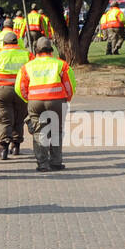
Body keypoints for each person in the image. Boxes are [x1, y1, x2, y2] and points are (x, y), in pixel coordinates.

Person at [14, 36, 74, 171]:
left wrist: (28, 99)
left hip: (35, 102)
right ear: (51, 50)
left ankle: (42, 164)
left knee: (39, 132)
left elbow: (19, 87)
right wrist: (67, 98)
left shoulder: (27, 67)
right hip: (57, 101)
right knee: (56, 131)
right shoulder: (61, 64)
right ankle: (56, 162)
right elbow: (70, 85)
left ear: (36, 50)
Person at [0, 31, 31, 159]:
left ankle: (3, 149)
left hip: (0, 91)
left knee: (3, 120)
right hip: (21, 91)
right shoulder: (27, 55)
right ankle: (16, 147)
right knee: (19, 118)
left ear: (4, 43)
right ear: (17, 43)